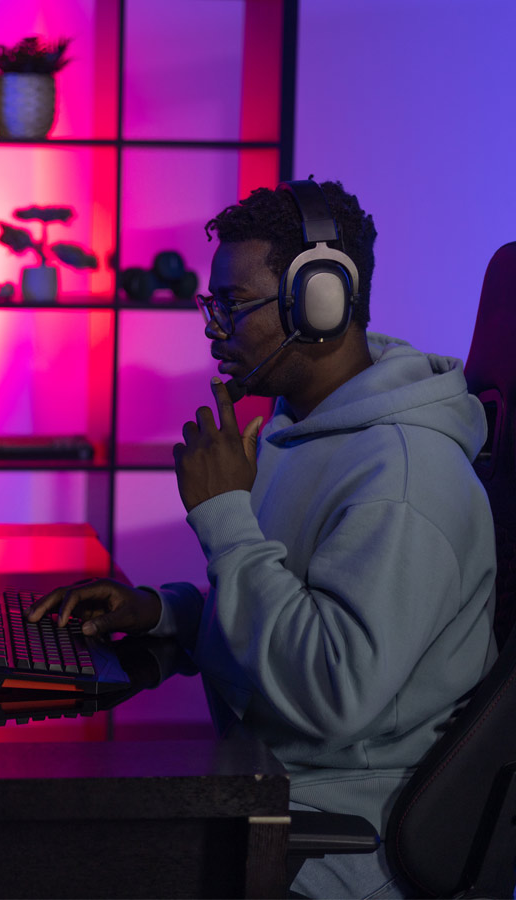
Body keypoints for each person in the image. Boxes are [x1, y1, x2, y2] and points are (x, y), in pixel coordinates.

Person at [28, 179, 497, 899]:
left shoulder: (405, 479)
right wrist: (167, 612)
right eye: (210, 304)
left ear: (322, 301)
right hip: (261, 794)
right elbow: (285, 606)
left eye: (233, 305)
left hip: (335, 850)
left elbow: (331, 692)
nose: (214, 328)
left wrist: (223, 515)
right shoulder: (295, 427)